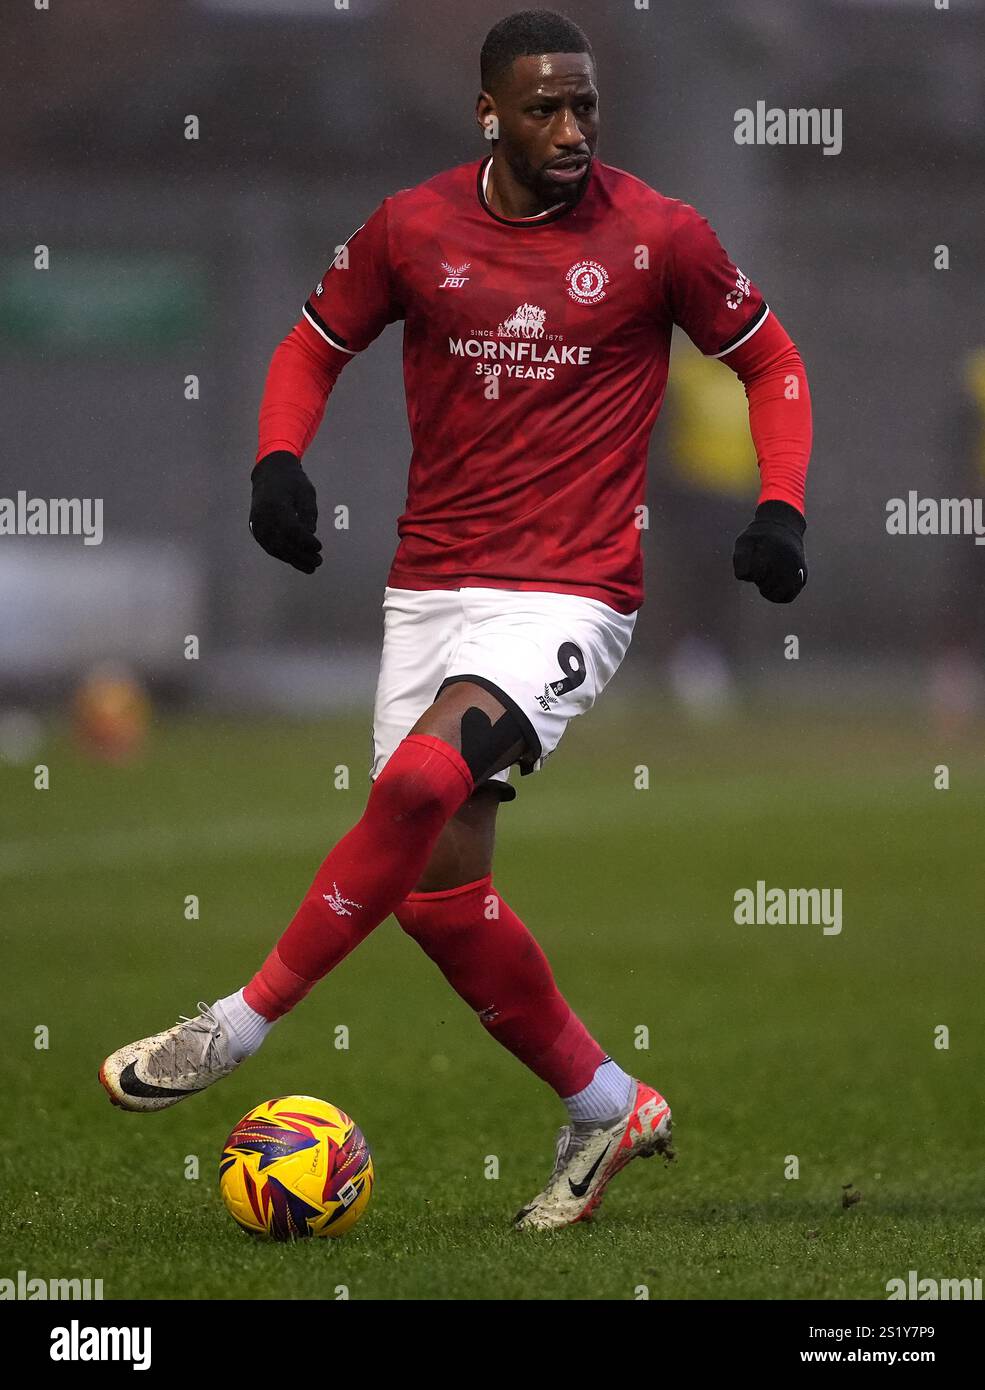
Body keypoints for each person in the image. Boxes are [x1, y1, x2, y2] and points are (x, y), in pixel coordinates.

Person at [100, 9, 811, 1231]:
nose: (572, 130)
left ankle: (235, 1024)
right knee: (436, 897)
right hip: (431, 587)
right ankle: (607, 1105)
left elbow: (772, 361)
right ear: (489, 113)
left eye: (585, 105)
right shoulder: (411, 228)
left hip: (574, 588)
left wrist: (782, 505)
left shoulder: (659, 235)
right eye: (544, 108)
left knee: (423, 780)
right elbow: (310, 346)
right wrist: (277, 461)